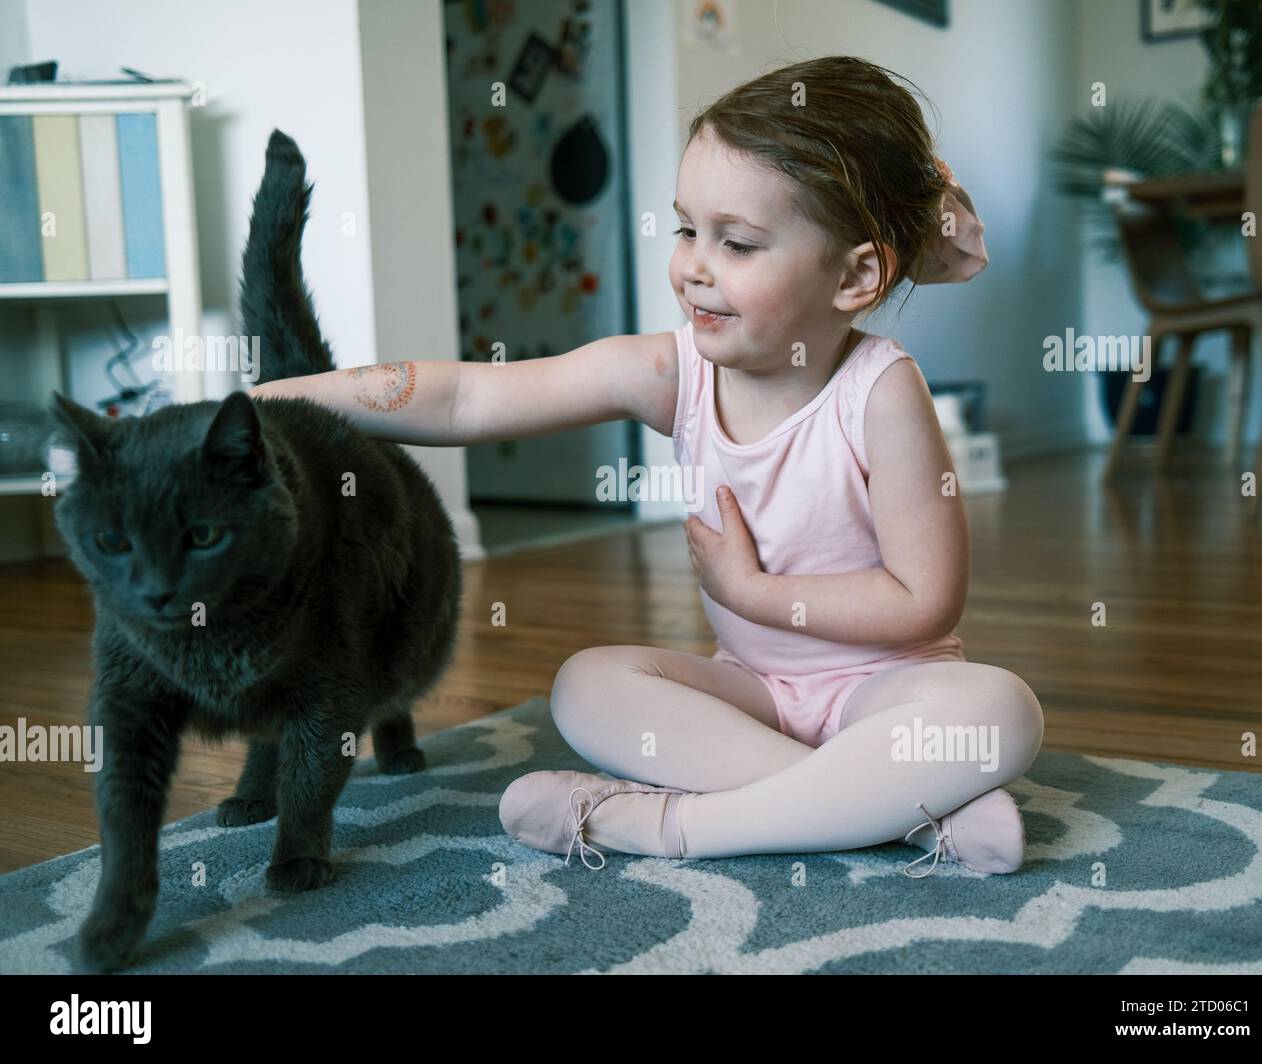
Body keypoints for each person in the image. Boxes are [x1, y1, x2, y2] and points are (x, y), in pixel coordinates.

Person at [254, 55, 1043, 879]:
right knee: (587, 685)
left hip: (885, 694)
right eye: (686, 230)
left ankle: (665, 825)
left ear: (855, 275)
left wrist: (753, 592)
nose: (694, 265)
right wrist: (265, 400)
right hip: (755, 700)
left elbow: (924, 605)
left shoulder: (881, 393)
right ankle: (905, 816)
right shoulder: (676, 373)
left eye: (736, 243)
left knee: (999, 712)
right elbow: (465, 401)